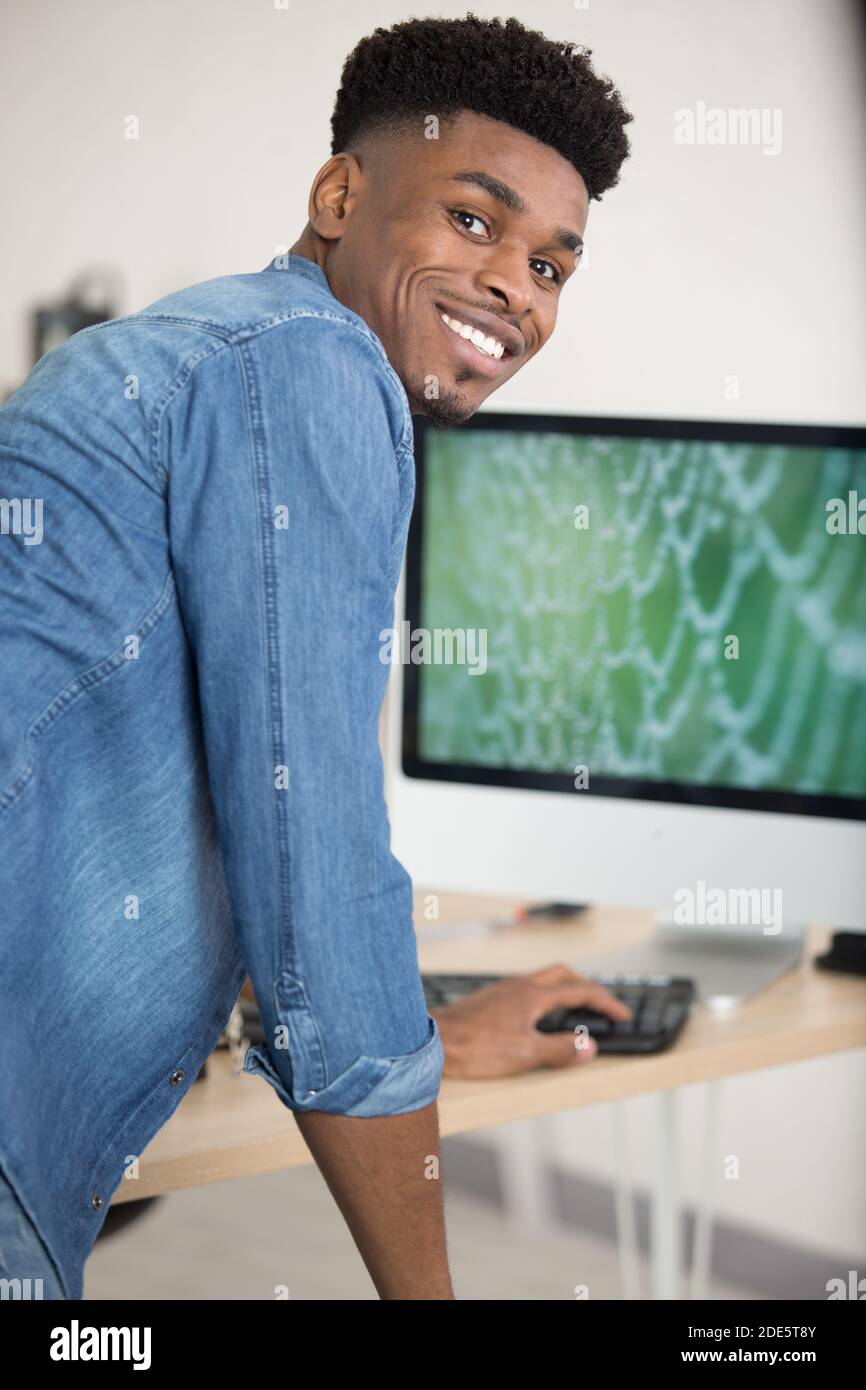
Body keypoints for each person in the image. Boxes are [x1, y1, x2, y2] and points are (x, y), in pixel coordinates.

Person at [0, 14, 632, 1301]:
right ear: (339, 196)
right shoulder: (311, 363)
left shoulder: (197, 345)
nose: (516, 284)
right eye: (472, 221)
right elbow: (318, 868)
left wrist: (427, 1025)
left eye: (553, 266)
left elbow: (138, 836)